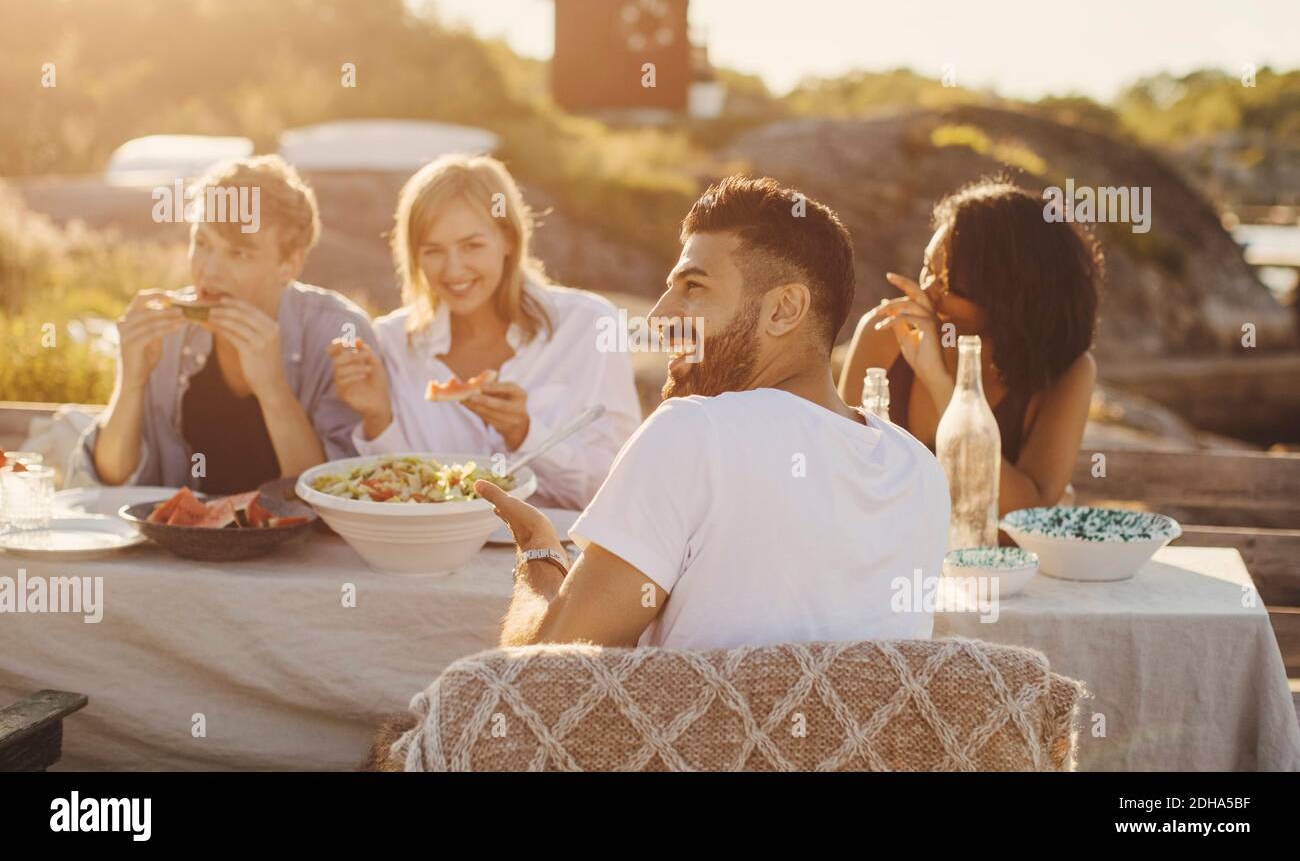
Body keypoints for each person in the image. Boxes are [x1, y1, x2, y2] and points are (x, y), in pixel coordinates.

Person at [475, 175, 949, 650]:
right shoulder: (919, 470)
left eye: (693, 287)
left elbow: (543, 676)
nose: (659, 317)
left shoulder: (691, 431)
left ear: (784, 309)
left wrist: (539, 557)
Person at [327, 155, 640, 510]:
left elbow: (618, 490)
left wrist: (525, 433)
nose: (453, 269)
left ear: (507, 239)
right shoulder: (391, 342)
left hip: (555, 555)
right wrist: (377, 417)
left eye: (472, 245)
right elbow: (403, 499)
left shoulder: (590, 326)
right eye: (433, 251)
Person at [72, 155, 378, 494]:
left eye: (239, 254)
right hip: (180, 545)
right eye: (202, 244)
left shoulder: (339, 333)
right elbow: (110, 480)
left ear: (289, 264)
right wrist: (131, 381)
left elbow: (330, 496)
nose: (209, 270)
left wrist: (272, 388)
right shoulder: (168, 333)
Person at [838, 178, 1103, 517]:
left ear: (1007, 297)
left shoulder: (1068, 371)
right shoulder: (886, 333)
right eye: (926, 268)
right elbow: (845, 478)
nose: (927, 291)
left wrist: (940, 382)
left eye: (947, 285)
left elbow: (1027, 514)